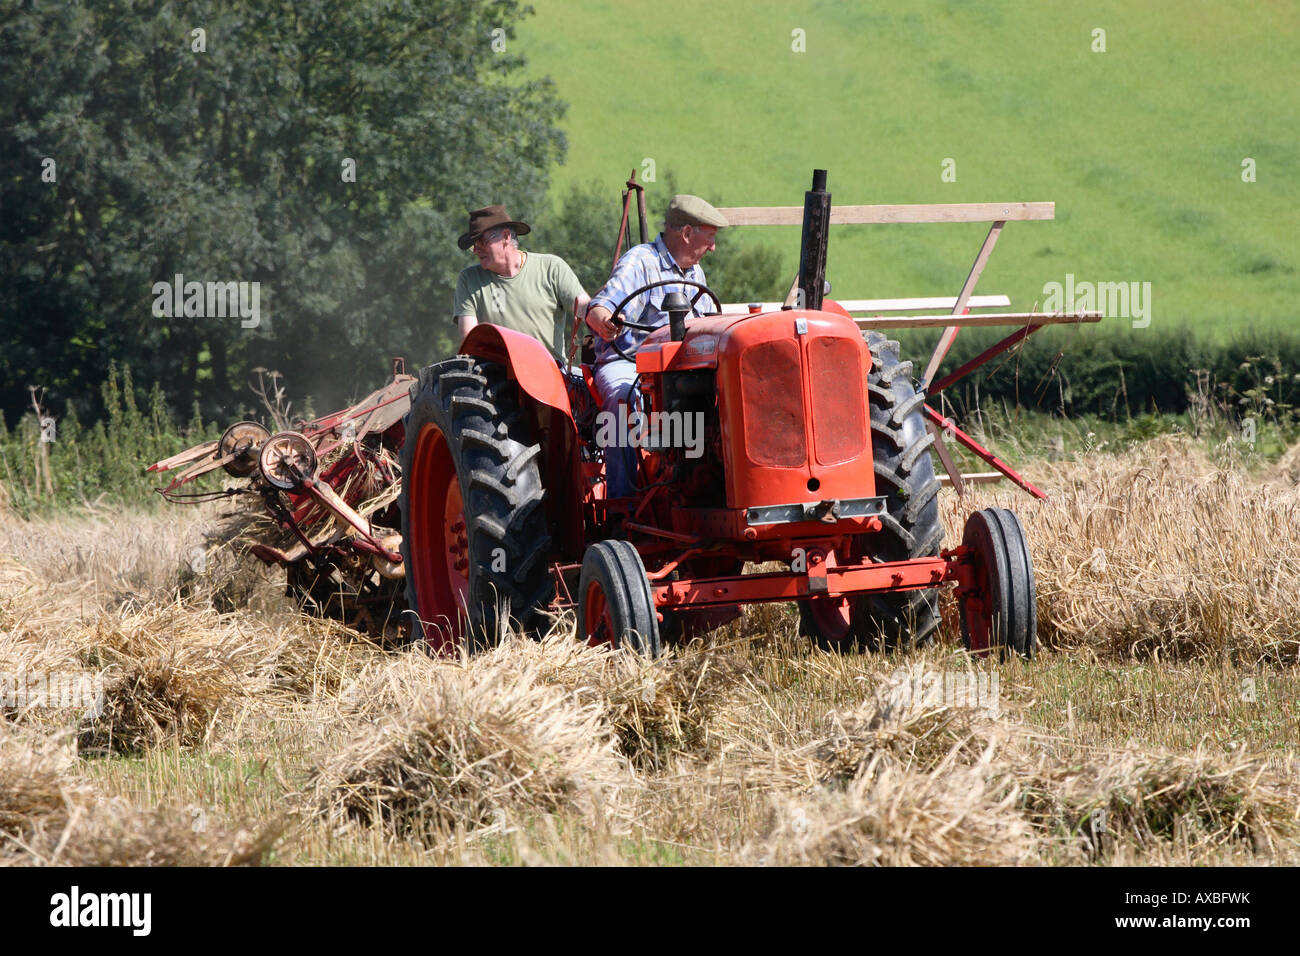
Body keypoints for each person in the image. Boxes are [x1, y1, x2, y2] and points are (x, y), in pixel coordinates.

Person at [584, 194, 729, 497]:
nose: (714, 247)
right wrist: (605, 319)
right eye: (710, 237)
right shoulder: (641, 262)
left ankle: (709, 488)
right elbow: (601, 307)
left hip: (679, 367)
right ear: (687, 233)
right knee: (623, 398)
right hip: (630, 363)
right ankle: (623, 503)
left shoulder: (695, 273)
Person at [452, 204, 589, 365]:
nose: (475, 250)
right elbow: (469, 336)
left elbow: (584, 306)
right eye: (473, 245)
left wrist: (603, 316)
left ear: (506, 236)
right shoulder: (469, 279)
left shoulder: (551, 268)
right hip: (494, 374)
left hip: (549, 372)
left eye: (481, 241)